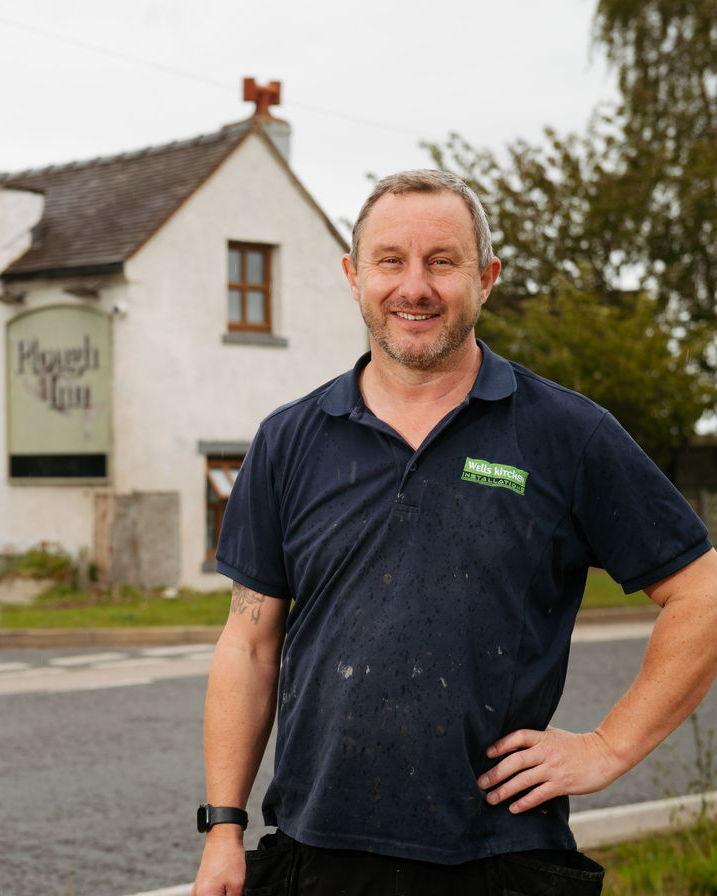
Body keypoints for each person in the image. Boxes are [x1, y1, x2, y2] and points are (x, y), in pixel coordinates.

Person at [192, 169, 717, 896]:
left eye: (442, 261)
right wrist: (224, 827)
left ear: (487, 278)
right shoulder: (288, 441)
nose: (415, 286)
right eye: (390, 261)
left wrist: (607, 747)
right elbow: (248, 643)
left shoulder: (567, 435)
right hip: (317, 854)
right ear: (354, 276)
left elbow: (702, 593)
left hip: (499, 859)